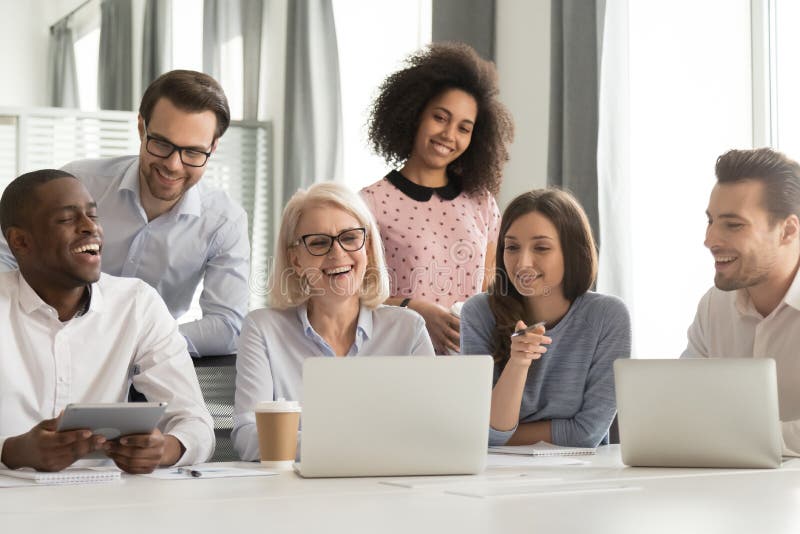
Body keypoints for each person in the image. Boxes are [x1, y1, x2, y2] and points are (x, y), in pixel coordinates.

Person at [0, 70, 250, 357]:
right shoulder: (79, 183)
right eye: (162, 144)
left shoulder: (224, 222)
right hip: (44, 345)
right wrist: (29, 325)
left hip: (146, 364)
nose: (173, 165)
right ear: (142, 127)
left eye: (193, 152)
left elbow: (227, 326)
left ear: (213, 146)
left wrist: (137, 342)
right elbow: (6, 253)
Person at [0, 169, 214, 472]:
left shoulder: (136, 304)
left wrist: (166, 449)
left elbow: (196, 422)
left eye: (93, 216)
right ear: (20, 241)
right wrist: (11, 452)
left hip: (106, 502)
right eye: (67, 219)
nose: (90, 228)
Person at [232, 182, 435, 461]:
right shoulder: (263, 329)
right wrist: (356, 445)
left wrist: (317, 444)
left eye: (350, 238)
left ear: (369, 249)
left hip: (387, 492)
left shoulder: (408, 330)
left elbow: (432, 432)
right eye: (318, 242)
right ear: (296, 260)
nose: (337, 253)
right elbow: (248, 438)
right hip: (294, 496)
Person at [360, 42, 514, 354]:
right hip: (399, 359)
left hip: (468, 362)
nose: (449, 135)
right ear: (414, 114)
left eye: (464, 128)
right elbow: (353, 298)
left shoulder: (481, 203)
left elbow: (492, 292)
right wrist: (413, 309)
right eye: (440, 117)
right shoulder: (369, 203)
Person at [460, 189, 631, 448]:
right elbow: (489, 433)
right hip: (495, 476)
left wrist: (497, 437)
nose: (523, 263)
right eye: (513, 247)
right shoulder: (479, 313)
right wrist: (518, 363)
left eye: (541, 247)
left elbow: (586, 434)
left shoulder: (607, 317)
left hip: (583, 477)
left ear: (572, 251)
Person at [683, 148, 800, 454]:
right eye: (711, 221)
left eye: (733, 225)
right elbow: (684, 406)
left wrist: (733, 437)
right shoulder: (714, 306)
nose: (710, 240)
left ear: (787, 230)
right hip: (732, 489)